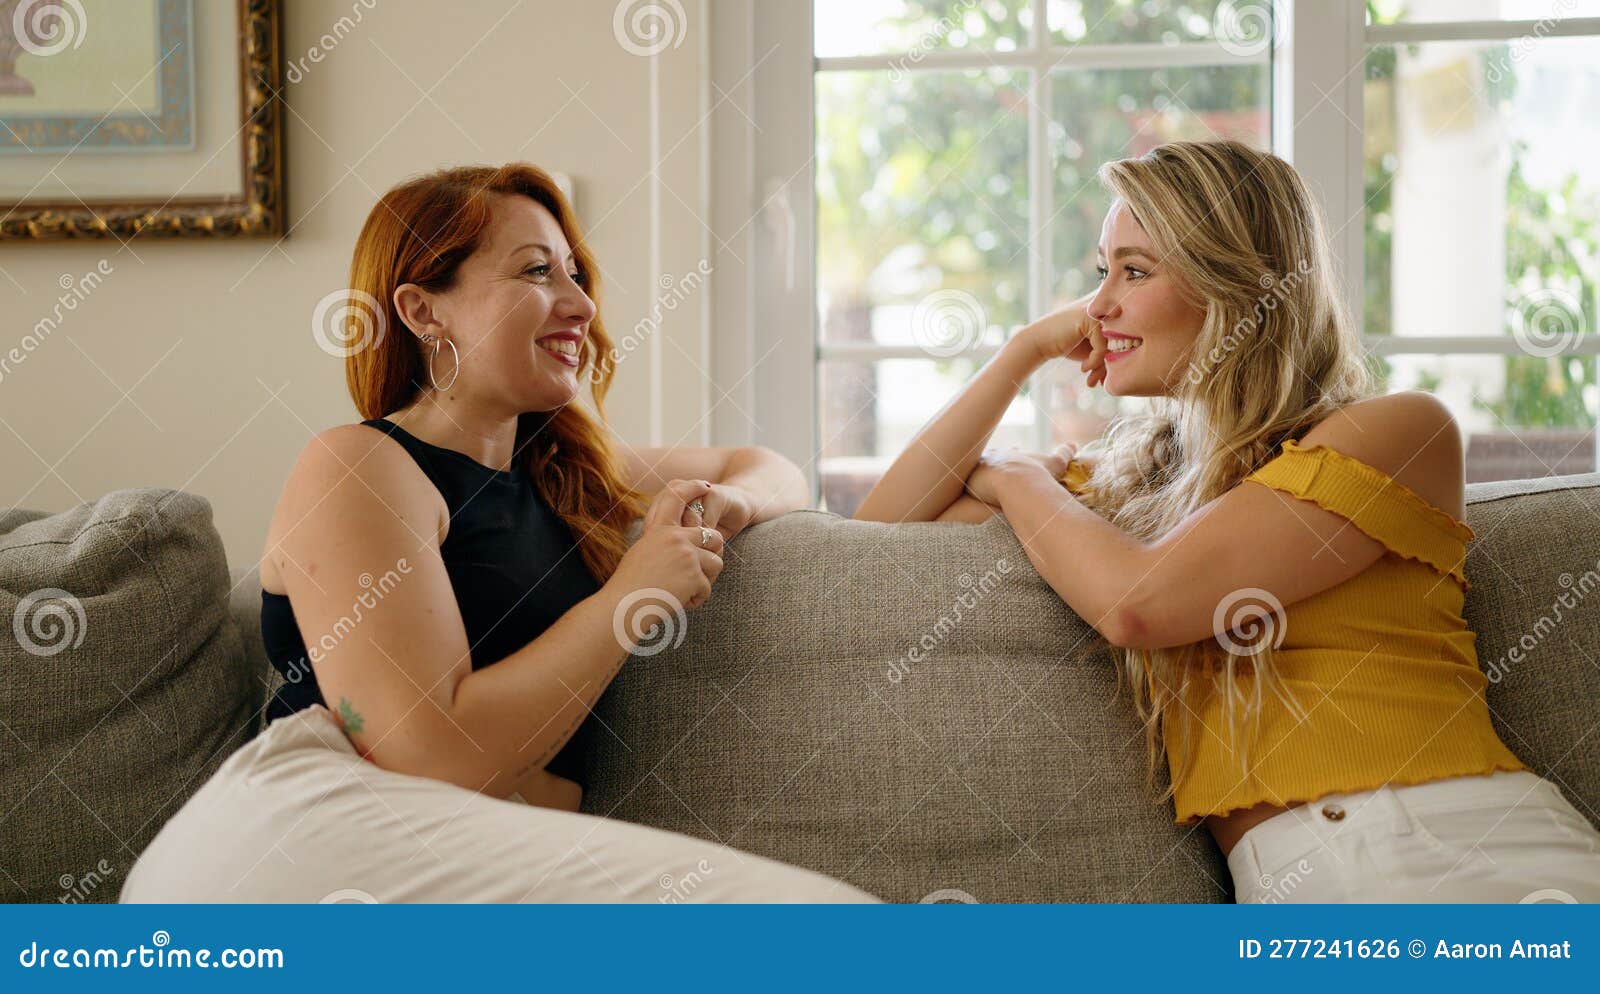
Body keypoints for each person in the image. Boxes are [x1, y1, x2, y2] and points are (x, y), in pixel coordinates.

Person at [856, 139, 1600, 903]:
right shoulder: (1129, 494)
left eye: (1134, 271)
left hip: (1461, 847)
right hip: (1294, 884)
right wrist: (1022, 352)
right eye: (1100, 272)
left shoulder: (1395, 433)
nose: (1096, 308)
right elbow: (875, 537)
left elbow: (1136, 604)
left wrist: (1013, 476)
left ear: (1237, 287)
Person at [121, 163, 877, 904]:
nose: (581, 304)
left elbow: (770, 468)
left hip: (465, 848)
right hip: (313, 838)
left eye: (575, 274)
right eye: (537, 271)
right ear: (423, 311)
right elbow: (433, 757)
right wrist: (633, 595)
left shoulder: (565, 471)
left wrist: (730, 505)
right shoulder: (357, 467)